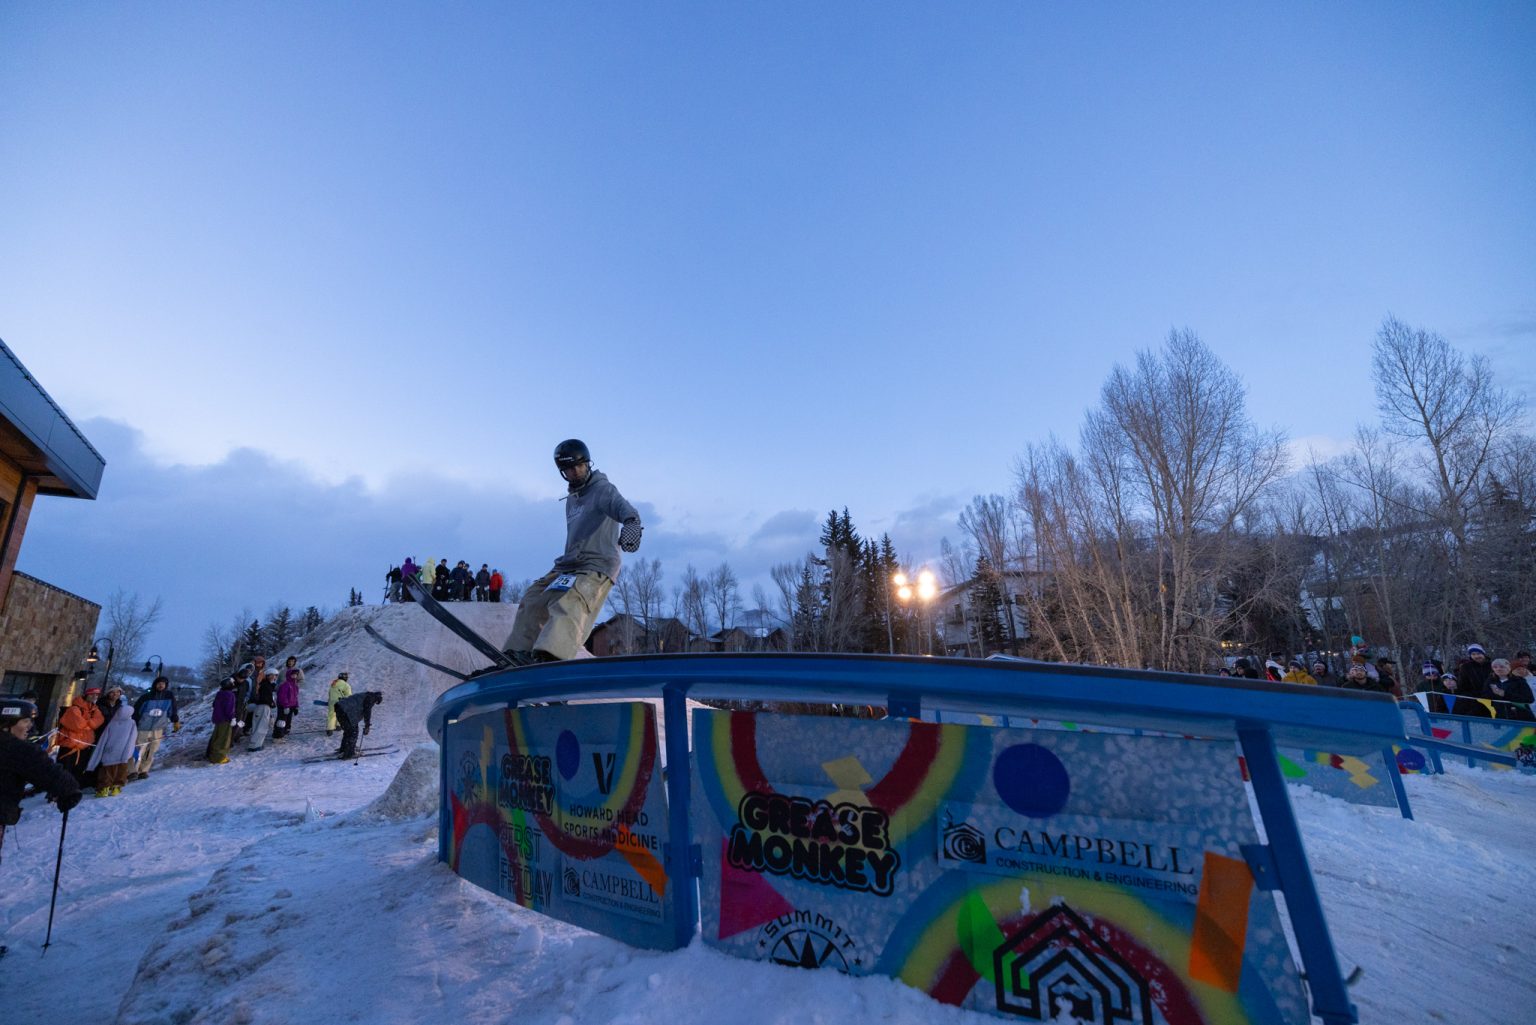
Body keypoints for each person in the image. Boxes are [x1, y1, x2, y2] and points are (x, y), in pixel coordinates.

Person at [503, 439, 642, 666]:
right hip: (568, 565)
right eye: (568, 469)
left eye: (579, 466)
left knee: (572, 599)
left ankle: (551, 655)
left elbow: (625, 509)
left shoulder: (603, 489)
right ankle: (516, 654)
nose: (575, 472)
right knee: (533, 598)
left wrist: (632, 524)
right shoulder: (572, 500)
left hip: (597, 564)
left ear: (588, 464)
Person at [1, 698, 81, 850]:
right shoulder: (19, 749)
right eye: (25, 721)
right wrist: (70, 791)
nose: (30, 726)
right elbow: (51, 774)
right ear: (8, 723)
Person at [87, 689, 138, 796]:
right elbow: (132, 739)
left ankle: (104, 788)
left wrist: (100, 749)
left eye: (118, 692)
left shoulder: (113, 722)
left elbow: (104, 738)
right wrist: (128, 752)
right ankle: (116, 787)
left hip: (109, 751)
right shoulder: (131, 723)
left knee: (106, 770)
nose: (115, 694)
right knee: (120, 771)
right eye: (112, 692)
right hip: (122, 752)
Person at [130, 675, 181, 780]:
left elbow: (173, 710)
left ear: (166, 685)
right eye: (159, 683)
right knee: (139, 749)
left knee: (151, 750)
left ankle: (143, 771)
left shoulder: (169, 696)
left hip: (158, 728)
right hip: (143, 728)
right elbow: (136, 711)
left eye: (163, 683)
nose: (161, 685)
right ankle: (132, 771)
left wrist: (175, 721)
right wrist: (134, 724)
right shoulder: (146, 697)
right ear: (155, 684)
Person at [54, 685, 105, 785]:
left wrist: (86, 724)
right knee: (64, 770)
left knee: (78, 770)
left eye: (97, 695)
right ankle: (56, 792)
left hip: (84, 746)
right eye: (92, 694)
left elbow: (100, 720)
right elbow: (77, 725)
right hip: (70, 746)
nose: (95, 696)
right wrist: (90, 725)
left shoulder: (94, 709)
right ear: (86, 695)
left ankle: (71, 789)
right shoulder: (74, 708)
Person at [333, 690, 384, 759]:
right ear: (376, 699)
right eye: (376, 702)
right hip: (346, 712)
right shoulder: (370, 698)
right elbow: (367, 712)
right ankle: (349, 753)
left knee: (348, 731)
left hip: (340, 708)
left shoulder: (364, 695)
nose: (374, 704)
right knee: (353, 732)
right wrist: (367, 726)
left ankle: (344, 749)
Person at [207, 677, 238, 764]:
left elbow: (214, 705)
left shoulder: (219, 693)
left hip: (217, 719)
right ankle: (219, 757)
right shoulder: (230, 694)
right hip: (225, 720)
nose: (233, 684)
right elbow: (229, 708)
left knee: (216, 737)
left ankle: (212, 755)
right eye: (232, 683)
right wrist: (232, 718)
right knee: (223, 739)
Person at [246, 671, 278, 751]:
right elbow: (266, 697)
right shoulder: (266, 685)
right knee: (262, 726)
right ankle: (256, 746)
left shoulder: (264, 684)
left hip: (259, 706)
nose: (274, 678)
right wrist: (271, 703)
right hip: (264, 707)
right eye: (273, 676)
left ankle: (253, 744)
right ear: (269, 676)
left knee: (256, 725)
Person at [273, 657, 303, 739]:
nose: (294, 676)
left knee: (287, 718)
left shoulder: (294, 685)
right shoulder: (285, 679)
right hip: (284, 703)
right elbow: (283, 696)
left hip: (291, 703)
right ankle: (277, 735)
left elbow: (295, 696)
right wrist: (286, 706)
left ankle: (285, 730)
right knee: (281, 719)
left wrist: (296, 706)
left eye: (295, 675)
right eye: (289, 661)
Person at [326, 671, 352, 736]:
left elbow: (330, 693)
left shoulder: (333, 683)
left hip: (331, 701)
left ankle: (330, 729)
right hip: (340, 702)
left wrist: (330, 700)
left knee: (331, 715)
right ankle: (338, 726)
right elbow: (349, 696)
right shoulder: (346, 685)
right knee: (341, 715)